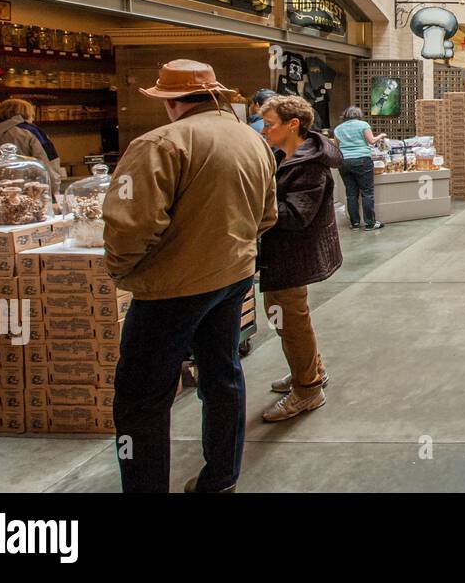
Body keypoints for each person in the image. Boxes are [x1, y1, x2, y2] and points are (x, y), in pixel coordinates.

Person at [103, 60, 277, 493]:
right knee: (222, 376)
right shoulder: (251, 139)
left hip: (170, 289)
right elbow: (267, 214)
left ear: (171, 102)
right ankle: (221, 476)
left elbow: (131, 225)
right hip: (232, 277)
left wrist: (122, 270)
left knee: (141, 400)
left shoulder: (160, 143)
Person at [257, 95, 343, 422]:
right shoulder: (285, 155)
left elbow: (296, 216)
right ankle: (309, 370)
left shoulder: (310, 165)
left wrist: (254, 204)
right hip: (281, 255)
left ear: (293, 125)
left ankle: (308, 390)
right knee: (291, 317)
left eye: (270, 124)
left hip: (293, 256)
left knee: (290, 320)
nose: (264, 131)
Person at [0, 98, 62, 190]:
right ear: (26, 113)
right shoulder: (30, 131)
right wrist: (55, 188)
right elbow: (48, 162)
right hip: (26, 190)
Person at [333, 105, 386, 230]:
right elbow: (371, 141)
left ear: (345, 115)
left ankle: (355, 223)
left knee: (351, 194)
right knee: (367, 193)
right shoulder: (363, 125)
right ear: (359, 115)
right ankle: (369, 223)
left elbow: (336, 146)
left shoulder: (338, 128)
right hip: (362, 159)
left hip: (344, 161)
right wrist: (381, 135)